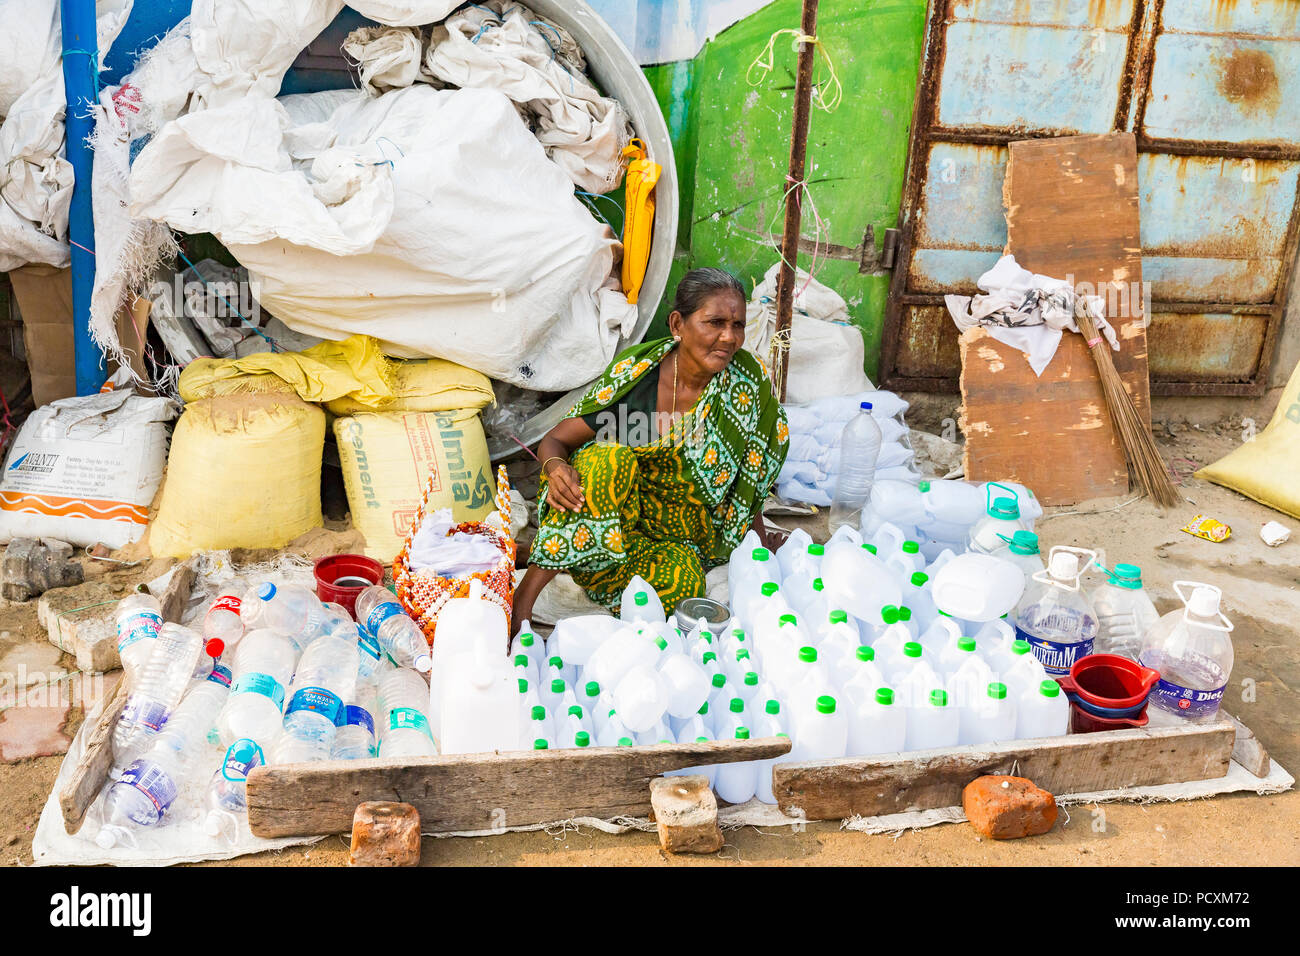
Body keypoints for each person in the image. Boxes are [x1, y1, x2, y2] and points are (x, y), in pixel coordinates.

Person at [512, 268, 790, 632]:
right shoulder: (639, 378)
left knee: (685, 584)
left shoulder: (745, 383)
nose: (729, 337)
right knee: (606, 458)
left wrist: (757, 546)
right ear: (678, 324)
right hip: (610, 512)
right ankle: (524, 601)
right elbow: (557, 440)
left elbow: (749, 477)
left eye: (738, 324)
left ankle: (575, 561)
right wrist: (554, 467)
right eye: (715, 322)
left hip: (676, 537)